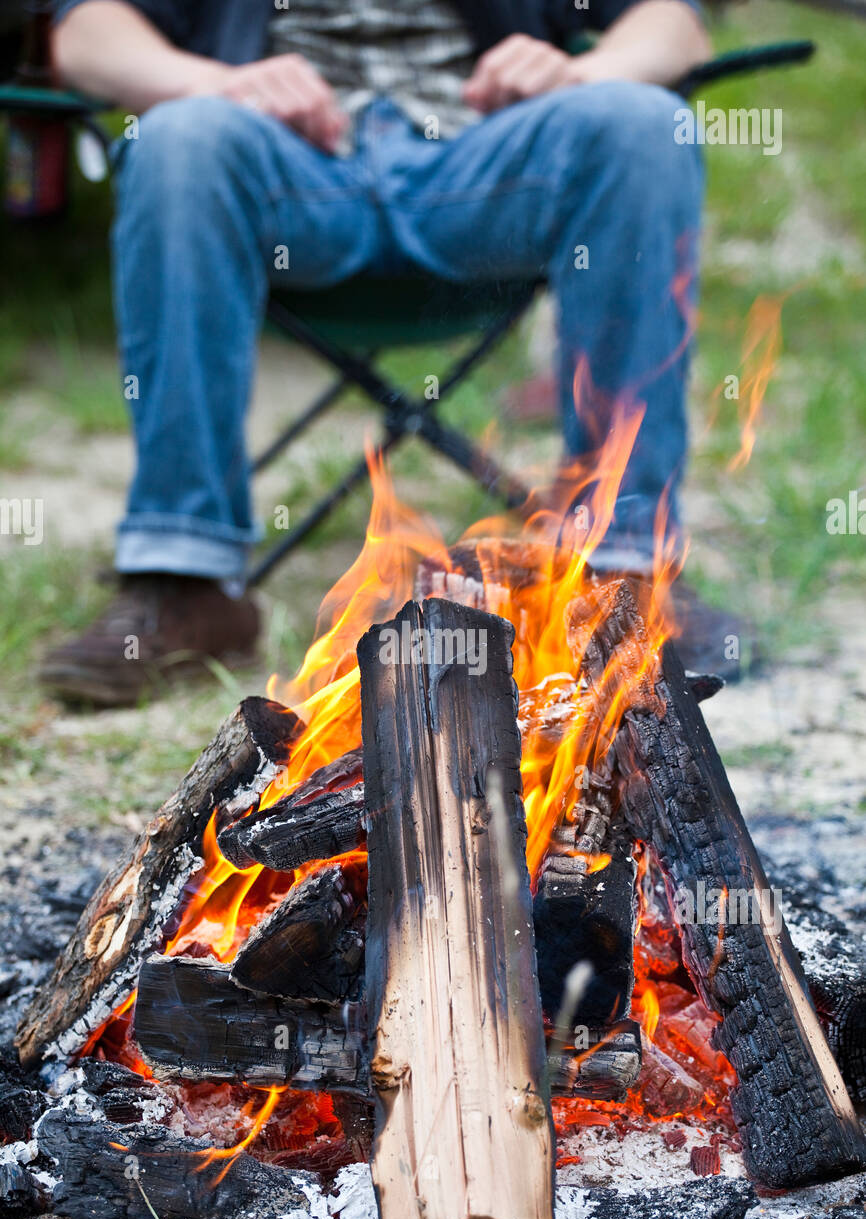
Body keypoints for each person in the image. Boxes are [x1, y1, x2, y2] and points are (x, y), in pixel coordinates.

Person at [40, 0, 713, 705]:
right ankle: (183, 584)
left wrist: (582, 71)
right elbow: (84, 33)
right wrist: (213, 82)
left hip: (488, 164)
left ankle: (625, 575)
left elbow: (673, 20)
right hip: (280, 166)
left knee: (639, 123)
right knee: (179, 136)